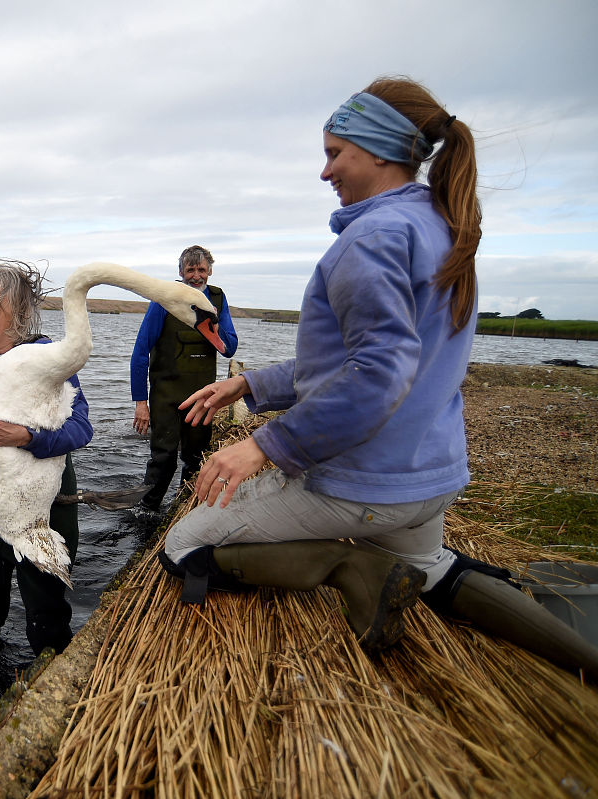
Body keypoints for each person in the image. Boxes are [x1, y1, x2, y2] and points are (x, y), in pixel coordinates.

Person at [158, 76, 598, 677]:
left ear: (379, 150)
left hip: (365, 485)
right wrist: (252, 386)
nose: (325, 173)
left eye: (334, 155)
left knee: (182, 548)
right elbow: (375, 362)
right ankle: (585, 665)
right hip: (432, 477)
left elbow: (374, 378)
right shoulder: (442, 228)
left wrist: (264, 446)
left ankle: (355, 569)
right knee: (435, 569)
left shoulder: (370, 241)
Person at [0, 260, 94, 655]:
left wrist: (27, 436)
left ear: (20, 311)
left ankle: (49, 669)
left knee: (46, 602)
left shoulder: (48, 359)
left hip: (47, 504)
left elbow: (81, 429)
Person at [130, 245, 239, 511]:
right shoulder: (164, 299)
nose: (196, 276)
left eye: (201, 269)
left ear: (210, 271)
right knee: (163, 457)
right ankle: (147, 511)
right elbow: (140, 352)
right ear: (181, 272)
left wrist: (211, 325)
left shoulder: (218, 299)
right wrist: (140, 403)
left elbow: (230, 348)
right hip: (166, 396)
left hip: (202, 397)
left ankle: (183, 507)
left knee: (196, 457)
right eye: (190, 270)